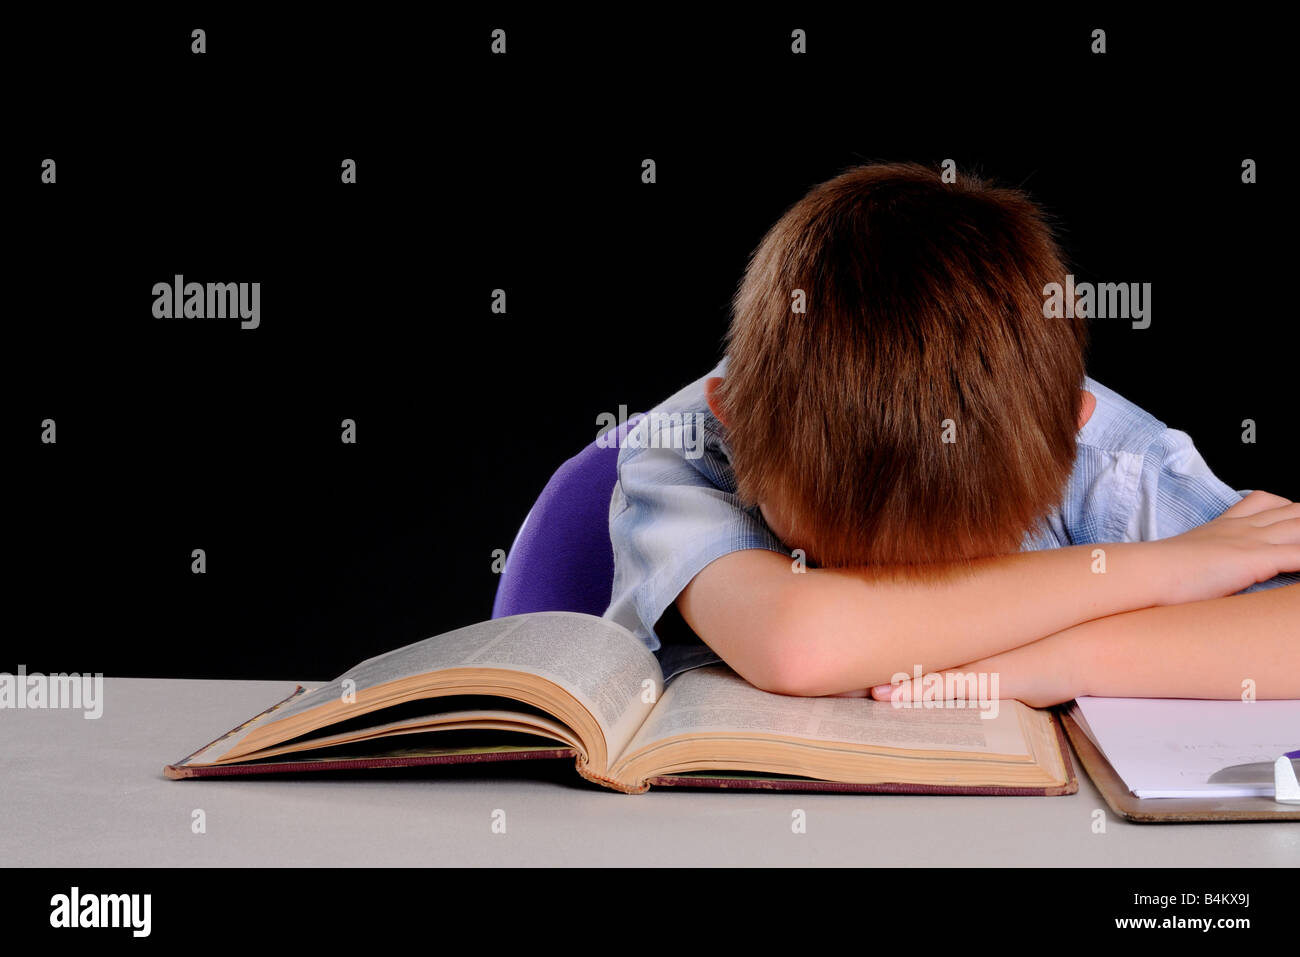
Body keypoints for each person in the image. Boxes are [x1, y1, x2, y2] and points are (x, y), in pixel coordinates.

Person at [604, 162, 1299, 704]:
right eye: (835, 565)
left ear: (1069, 445)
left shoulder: (1100, 460)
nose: (892, 601)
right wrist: (1162, 570)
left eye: (968, 568)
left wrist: (1065, 662)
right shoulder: (692, 446)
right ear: (733, 423)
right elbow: (797, 643)